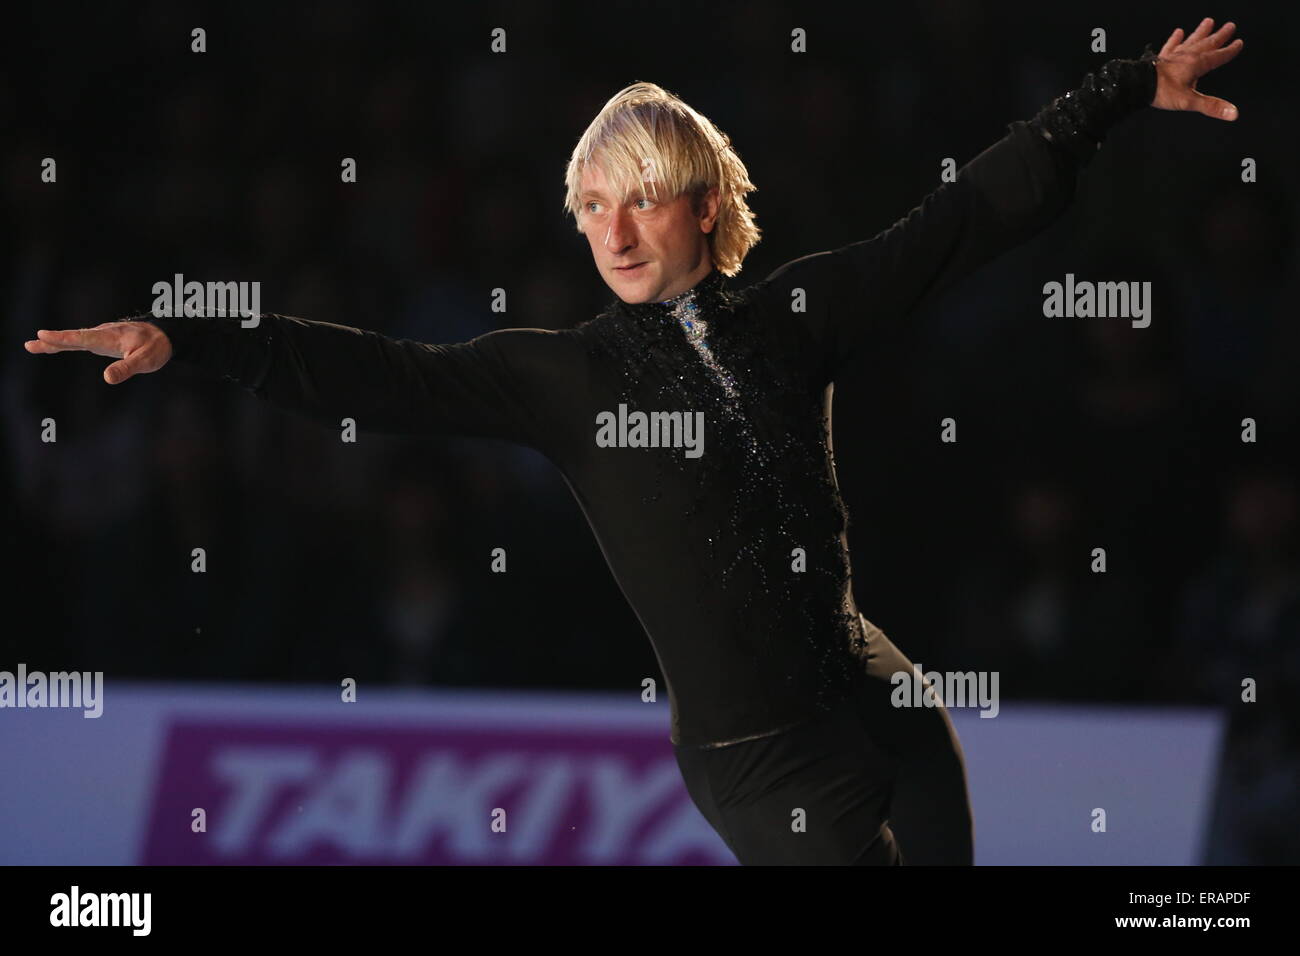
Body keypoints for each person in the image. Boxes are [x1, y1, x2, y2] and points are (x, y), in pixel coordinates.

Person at [25, 19, 1242, 865]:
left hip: (874, 693)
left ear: (702, 204)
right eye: (592, 205)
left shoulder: (792, 315)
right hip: (757, 756)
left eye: (639, 197)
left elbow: (960, 220)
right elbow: (377, 372)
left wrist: (1125, 87)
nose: (612, 228)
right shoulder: (559, 375)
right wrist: (196, 333)